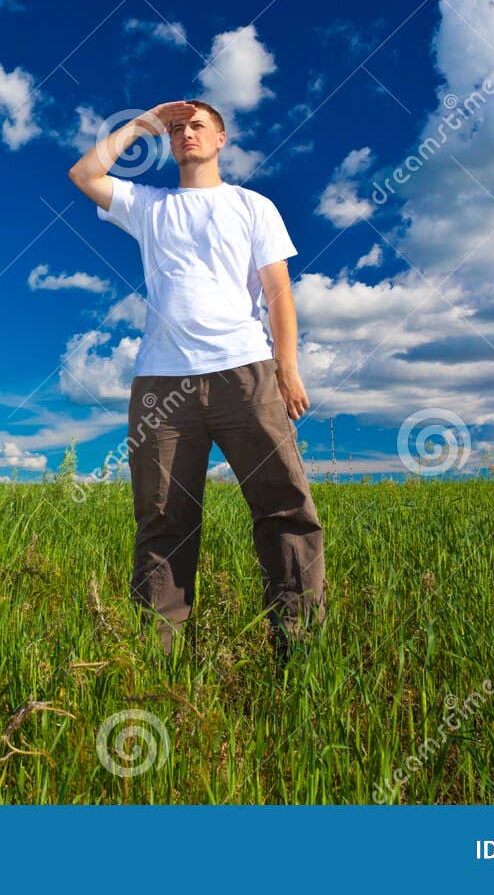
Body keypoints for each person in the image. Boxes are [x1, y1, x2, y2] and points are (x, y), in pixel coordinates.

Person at [67, 99, 325, 660]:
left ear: (221, 139)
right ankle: (159, 662)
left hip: (245, 371)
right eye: (178, 128)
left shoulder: (253, 206)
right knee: (163, 517)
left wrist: (287, 367)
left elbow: (278, 290)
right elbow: (84, 174)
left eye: (197, 125)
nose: (187, 134)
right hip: (163, 380)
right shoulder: (148, 204)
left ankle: (299, 650)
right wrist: (141, 124)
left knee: (283, 504)